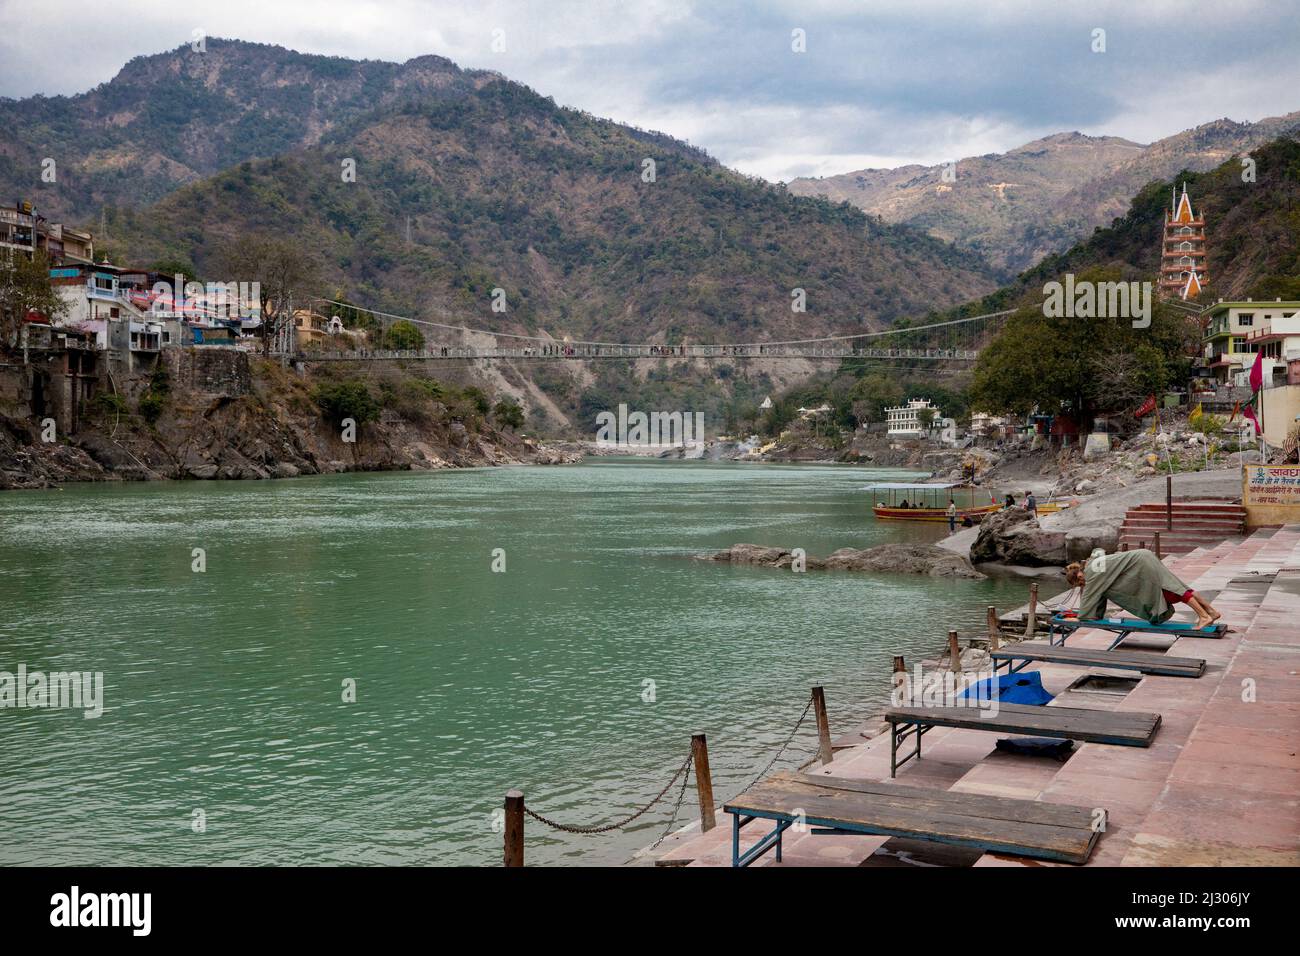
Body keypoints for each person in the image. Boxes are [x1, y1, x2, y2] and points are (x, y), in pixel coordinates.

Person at [1065, 549, 1222, 631]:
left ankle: (1203, 616)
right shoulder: (1094, 566)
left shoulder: (1092, 570)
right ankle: (1211, 612)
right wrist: (1095, 616)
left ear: (1079, 575)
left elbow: (1090, 595)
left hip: (1142, 563)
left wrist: (1081, 617)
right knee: (1177, 586)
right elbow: (1099, 594)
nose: (1083, 585)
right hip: (1143, 559)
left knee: (1171, 590)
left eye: (1080, 583)